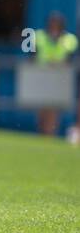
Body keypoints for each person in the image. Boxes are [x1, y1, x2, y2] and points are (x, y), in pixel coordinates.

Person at [35, 11, 77, 140]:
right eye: (52, 24)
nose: (54, 26)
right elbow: (32, 56)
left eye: (56, 24)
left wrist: (58, 64)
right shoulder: (39, 36)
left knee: (53, 110)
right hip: (42, 78)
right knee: (42, 110)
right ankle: (43, 135)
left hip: (59, 79)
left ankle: (49, 136)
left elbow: (70, 59)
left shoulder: (69, 40)